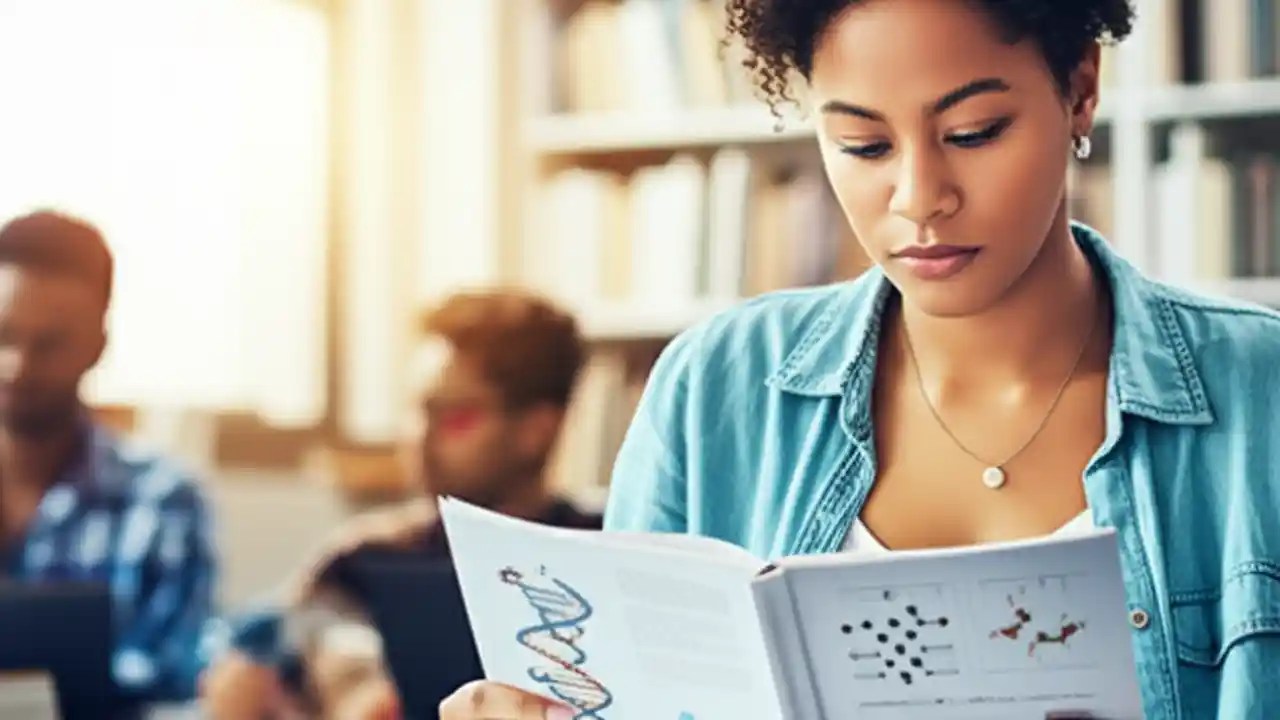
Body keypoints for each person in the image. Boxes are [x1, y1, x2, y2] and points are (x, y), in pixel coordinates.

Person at [440, 0, 1280, 718]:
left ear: (1081, 91)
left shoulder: (1262, 393)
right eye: (863, 146)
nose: (920, 197)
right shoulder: (714, 391)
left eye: (973, 132)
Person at [199, 290, 603, 719]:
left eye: (455, 416)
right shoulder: (365, 560)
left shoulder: (603, 549)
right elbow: (310, 644)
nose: (421, 436)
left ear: (537, 429)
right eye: (418, 410)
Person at [0, 211, 217, 703]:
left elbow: (174, 688)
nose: (18, 366)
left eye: (49, 344)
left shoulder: (164, 502)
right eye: (4, 335)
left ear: (98, 345)